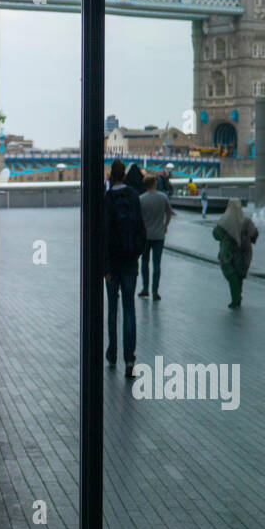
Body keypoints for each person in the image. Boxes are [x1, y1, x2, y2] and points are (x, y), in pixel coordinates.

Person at [103, 159, 146, 377]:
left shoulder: (108, 198)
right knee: (129, 309)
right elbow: (141, 228)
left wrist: (106, 267)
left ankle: (112, 353)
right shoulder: (134, 196)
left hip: (113, 264)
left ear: (112, 174)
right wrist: (136, 254)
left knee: (113, 309)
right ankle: (130, 360)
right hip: (130, 262)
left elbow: (104, 234)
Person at [212, 198, 258, 308]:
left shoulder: (224, 220)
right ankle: (237, 296)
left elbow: (216, 234)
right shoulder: (246, 221)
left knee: (231, 274)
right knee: (240, 274)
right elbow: (254, 235)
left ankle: (235, 298)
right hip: (244, 253)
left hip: (228, 252)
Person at [138, 175, 174, 301]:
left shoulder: (141, 199)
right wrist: (165, 225)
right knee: (157, 264)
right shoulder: (163, 197)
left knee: (144, 263)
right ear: (154, 183)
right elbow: (169, 212)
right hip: (159, 236)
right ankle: (155, 291)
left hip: (145, 236)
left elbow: (138, 218)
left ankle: (145, 288)